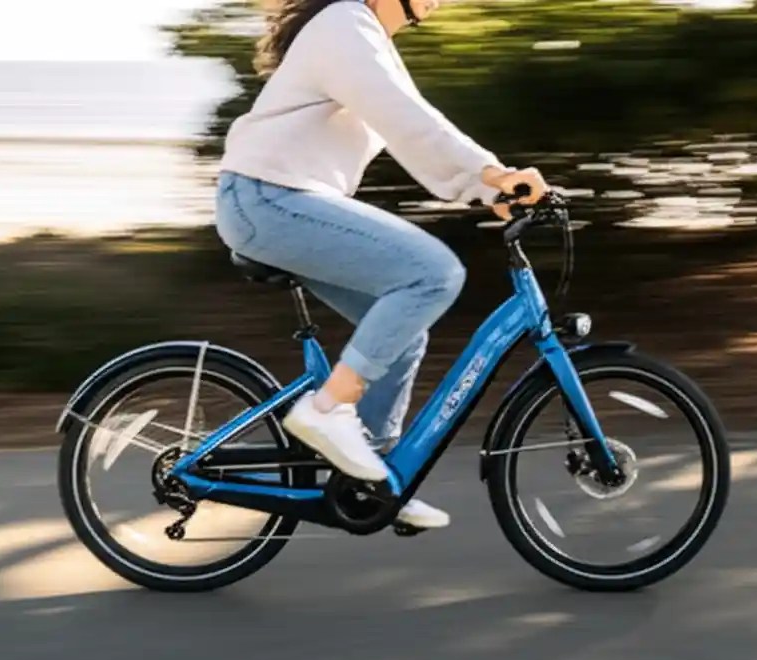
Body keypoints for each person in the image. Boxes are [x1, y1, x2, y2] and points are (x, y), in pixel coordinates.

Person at [213, 0, 548, 529]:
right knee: (433, 274)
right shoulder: (345, 22)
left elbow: (410, 125)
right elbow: (404, 116)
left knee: (403, 330)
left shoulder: (368, 39)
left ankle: (374, 481)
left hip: (285, 202)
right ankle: (327, 411)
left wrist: (484, 187)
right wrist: (490, 173)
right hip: (267, 198)